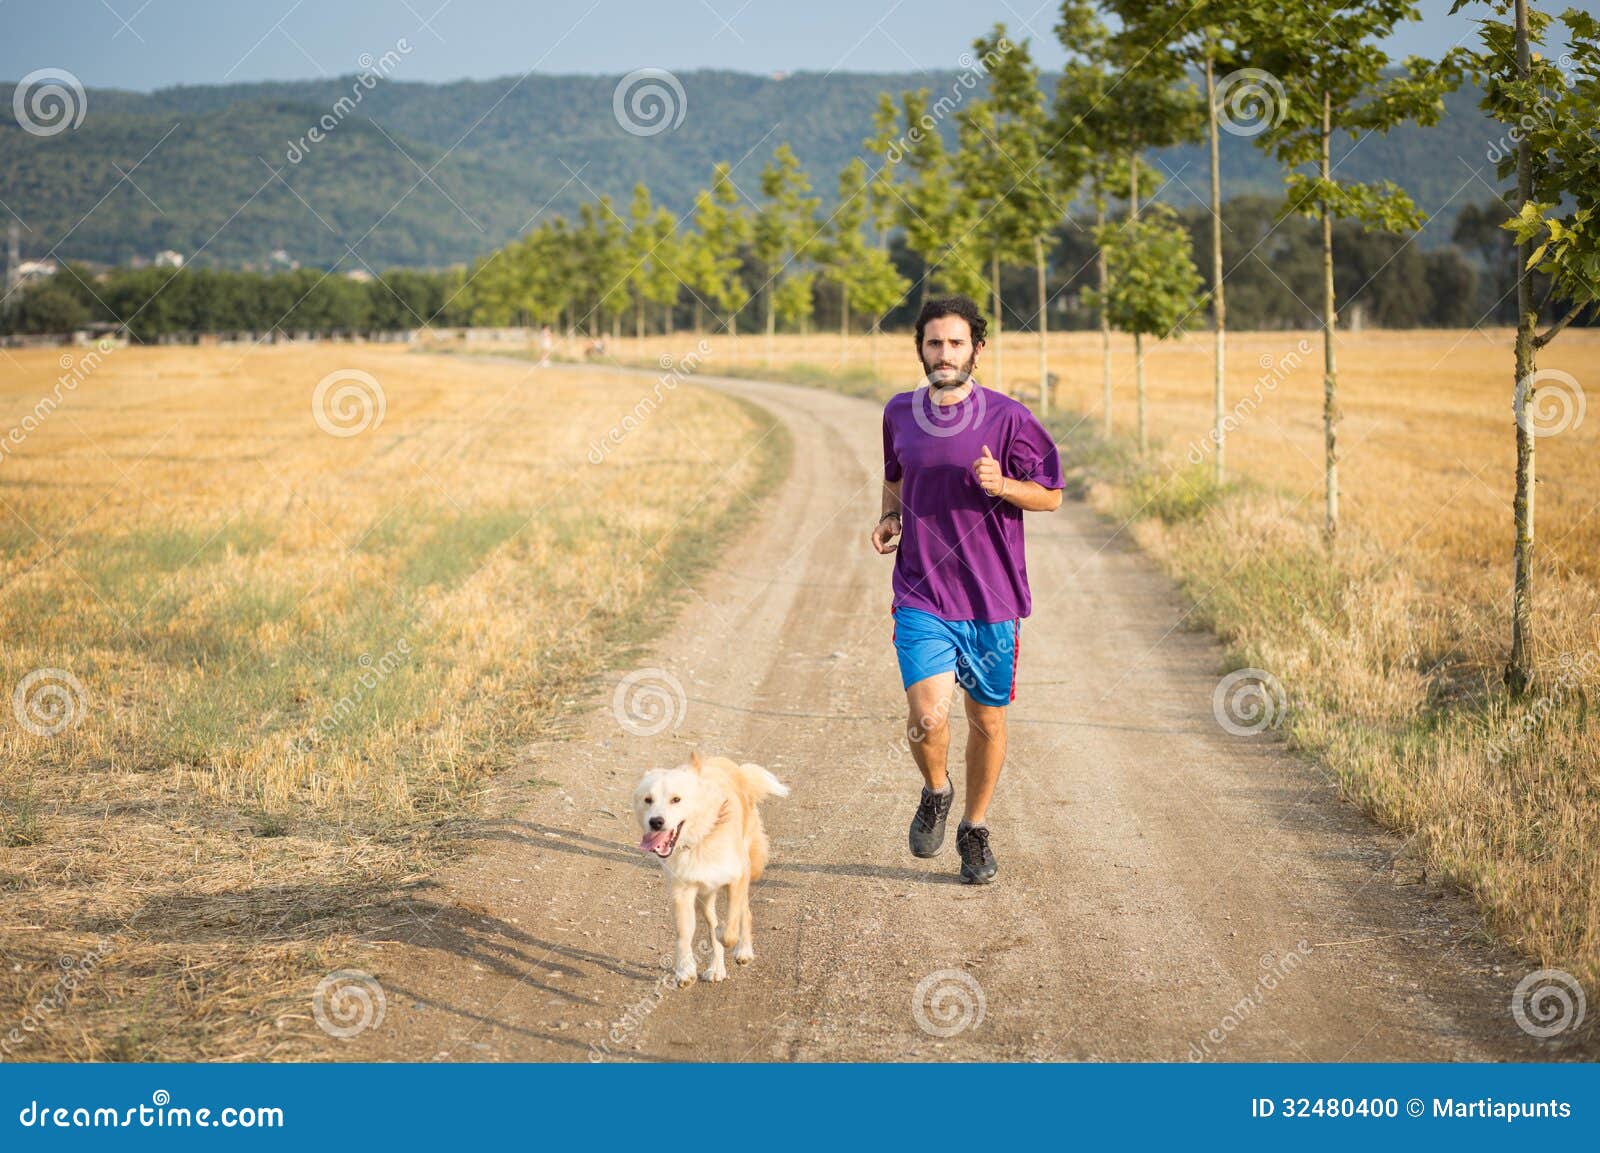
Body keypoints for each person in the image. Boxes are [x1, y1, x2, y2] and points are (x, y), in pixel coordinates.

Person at [871, 296, 1064, 884]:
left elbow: (1051, 495)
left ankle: (974, 828)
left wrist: (1002, 484)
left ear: (977, 349)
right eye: (934, 343)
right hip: (921, 591)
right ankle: (936, 790)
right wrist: (890, 516)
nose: (944, 354)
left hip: (991, 600)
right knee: (928, 716)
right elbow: (895, 475)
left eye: (956, 343)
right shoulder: (899, 413)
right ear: (920, 349)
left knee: (987, 723)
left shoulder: (1009, 418)